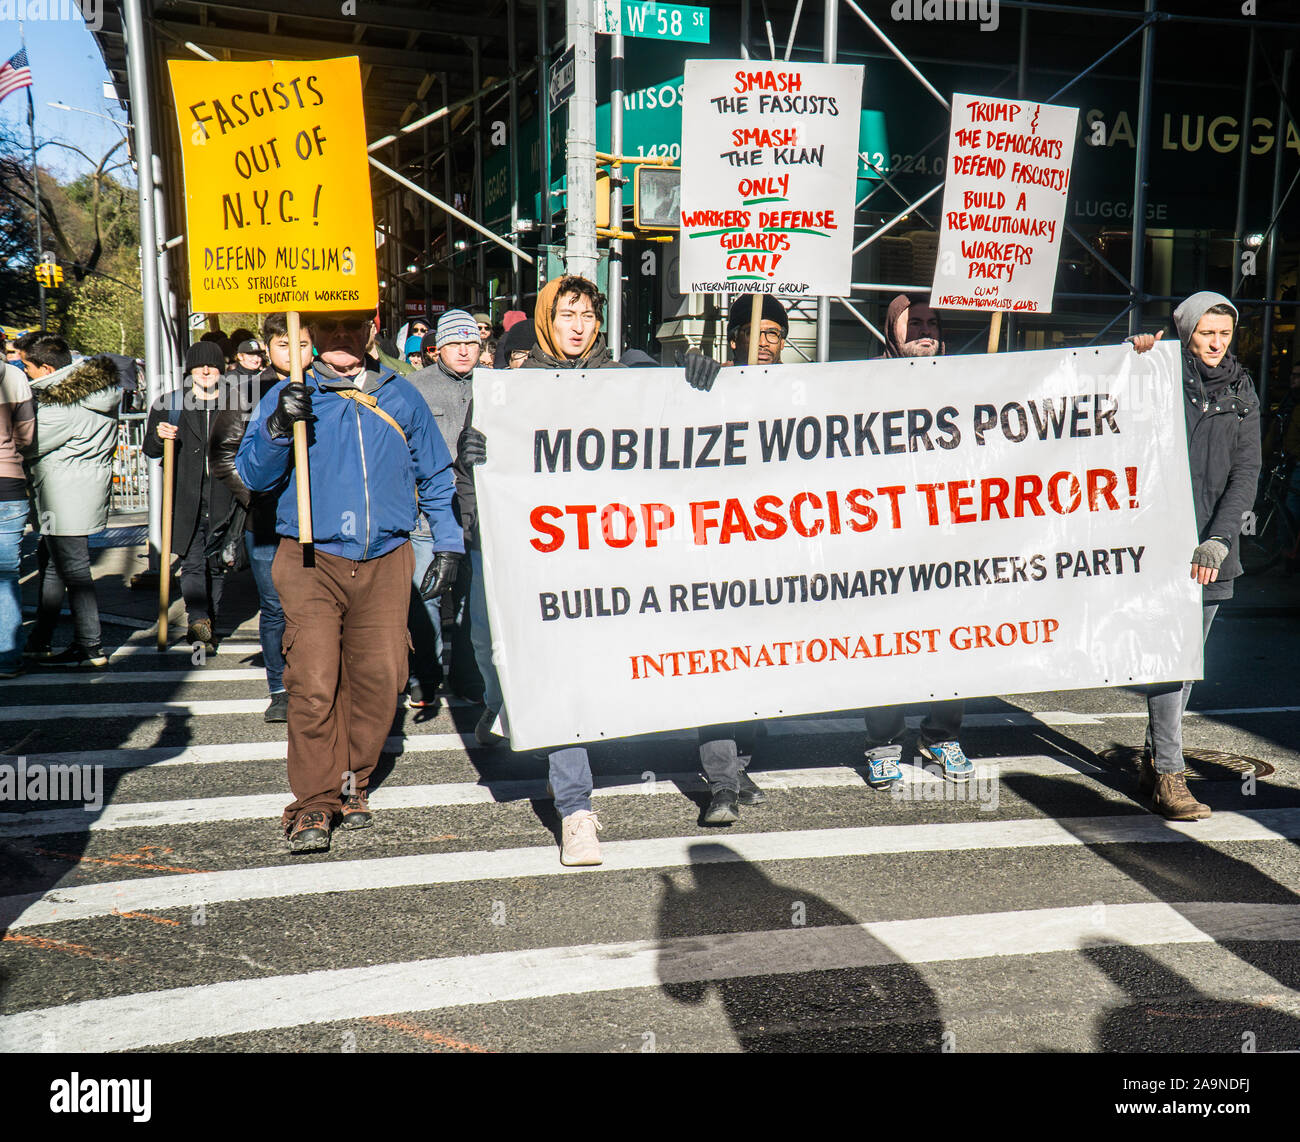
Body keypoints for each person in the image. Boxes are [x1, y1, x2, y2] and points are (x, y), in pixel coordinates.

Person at [235, 307, 463, 853]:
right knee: (313, 682)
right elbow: (252, 475)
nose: (341, 338)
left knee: (382, 677)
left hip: (387, 558)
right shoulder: (289, 393)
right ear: (311, 337)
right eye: (329, 329)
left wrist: (448, 543)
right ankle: (313, 803)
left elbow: (434, 472)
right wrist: (274, 429)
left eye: (351, 328)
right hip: (312, 557)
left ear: (370, 333)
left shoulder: (400, 395)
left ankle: (351, 783)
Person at [457, 275, 624, 865]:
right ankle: (576, 808)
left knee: (576, 674)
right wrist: (470, 467)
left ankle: (564, 780)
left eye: (587, 314)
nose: (578, 325)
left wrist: (701, 374)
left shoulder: (622, 380)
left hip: (605, 555)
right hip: (534, 557)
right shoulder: (508, 389)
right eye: (566, 313)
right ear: (546, 319)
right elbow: (468, 479)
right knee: (530, 661)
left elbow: (677, 423)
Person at [1129, 291, 1261, 821]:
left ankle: (1153, 759)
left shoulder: (1242, 388)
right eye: (1207, 333)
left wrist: (1222, 537)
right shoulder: (1158, 376)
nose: (1216, 343)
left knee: (1184, 665)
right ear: (1187, 333)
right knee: (1171, 658)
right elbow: (1100, 403)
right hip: (1161, 544)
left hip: (1214, 549)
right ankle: (1168, 773)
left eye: (1224, 334)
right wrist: (1131, 356)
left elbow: (1245, 472)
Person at [858, 295, 972, 788]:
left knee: (951, 641)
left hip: (945, 540)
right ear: (891, 330)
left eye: (932, 322)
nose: (925, 331)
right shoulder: (858, 385)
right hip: (882, 541)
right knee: (883, 644)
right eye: (913, 324)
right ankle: (884, 743)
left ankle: (941, 734)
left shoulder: (968, 381)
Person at [210, 312, 313, 721]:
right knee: (275, 606)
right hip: (267, 522)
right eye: (285, 344)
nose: (294, 352)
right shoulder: (246, 393)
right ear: (268, 348)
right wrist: (254, 494)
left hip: (319, 521)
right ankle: (280, 688)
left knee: (318, 605)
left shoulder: (330, 385)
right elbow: (223, 456)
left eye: (302, 343)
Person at [16, 333, 119, 668]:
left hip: (63, 496)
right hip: (76, 492)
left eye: (27, 366)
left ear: (46, 367)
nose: (25, 372)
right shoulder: (90, 390)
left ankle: (90, 647)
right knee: (52, 566)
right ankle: (41, 640)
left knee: (72, 570)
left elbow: (29, 444)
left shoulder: (62, 403)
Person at [403, 309, 484, 707]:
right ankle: (426, 674)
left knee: (473, 597)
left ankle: (469, 676)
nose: (465, 350)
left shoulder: (495, 385)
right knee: (426, 592)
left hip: (478, 510)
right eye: (455, 343)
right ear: (438, 348)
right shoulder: (414, 388)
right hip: (428, 511)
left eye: (471, 342)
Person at [143, 342, 236, 654]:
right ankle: (199, 621)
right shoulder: (170, 404)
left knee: (216, 564)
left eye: (212, 366)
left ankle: (209, 621)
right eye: (199, 367)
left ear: (222, 370)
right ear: (190, 371)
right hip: (186, 497)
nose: (206, 371)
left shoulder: (236, 403)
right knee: (193, 562)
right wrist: (159, 435)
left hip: (225, 497)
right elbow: (151, 449)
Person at [0, 340, 35, 678]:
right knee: (8, 575)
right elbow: (26, 433)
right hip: (8, 482)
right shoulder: (13, 376)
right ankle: (7, 659)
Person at [725, 294, 789, 366]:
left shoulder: (796, 377)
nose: (763, 343)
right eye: (752, 334)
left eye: (772, 333)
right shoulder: (716, 376)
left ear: (782, 342)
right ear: (733, 341)